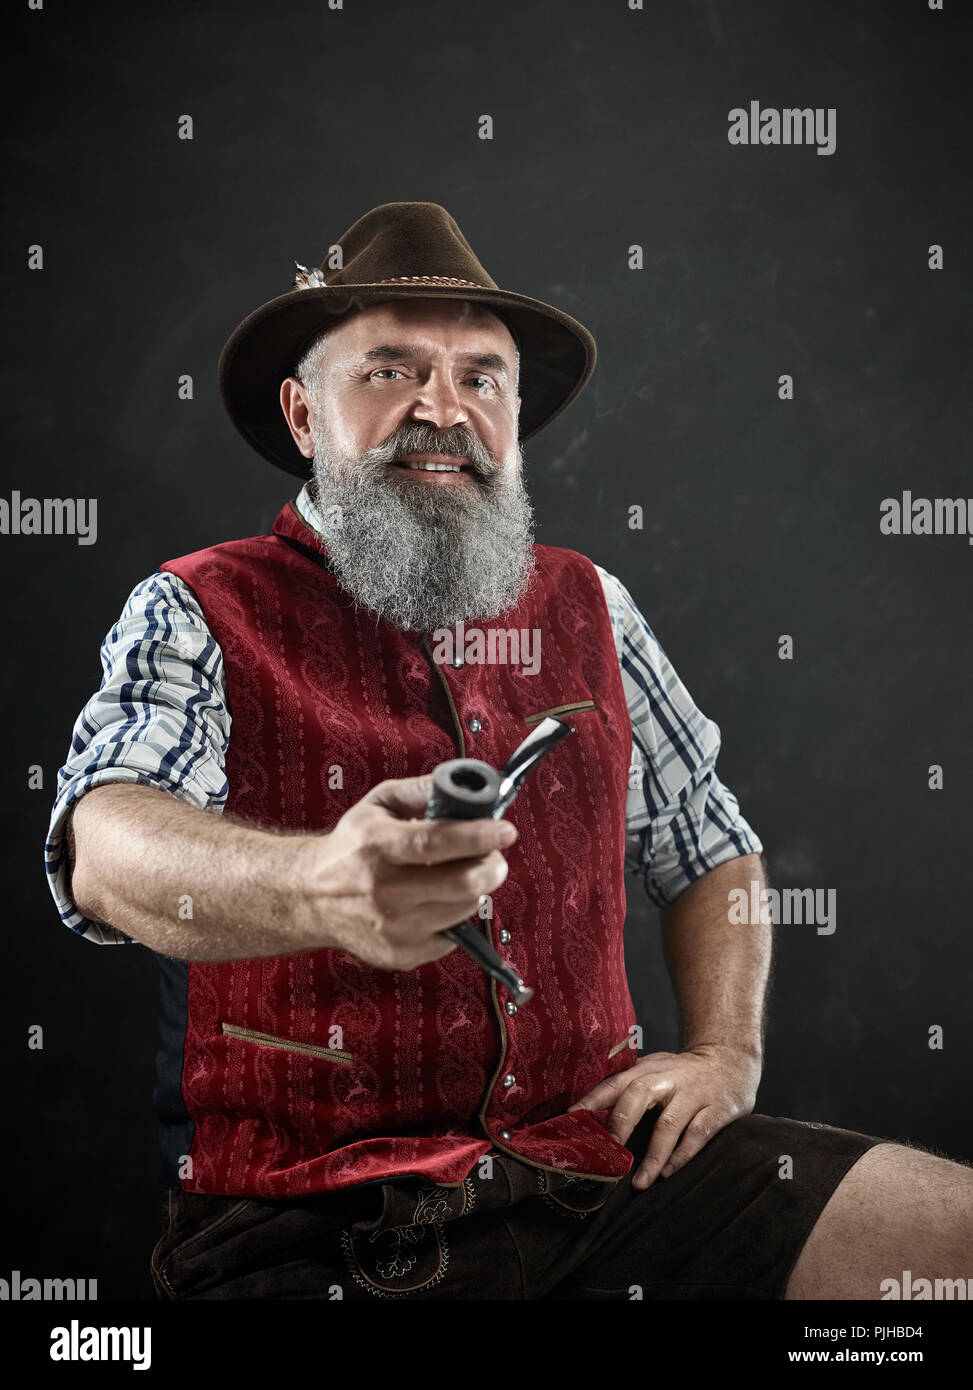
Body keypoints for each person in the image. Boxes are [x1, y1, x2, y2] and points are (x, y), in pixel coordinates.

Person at [46, 201, 972, 1300]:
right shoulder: (196, 606)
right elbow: (102, 844)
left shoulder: (593, 603)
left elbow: (711, 848)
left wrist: (723, 1054)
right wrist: (317, 885)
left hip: (603, 1174)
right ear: (303, 414)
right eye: (390, 371)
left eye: (481, 378)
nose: (442, 408)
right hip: (309, 1218)